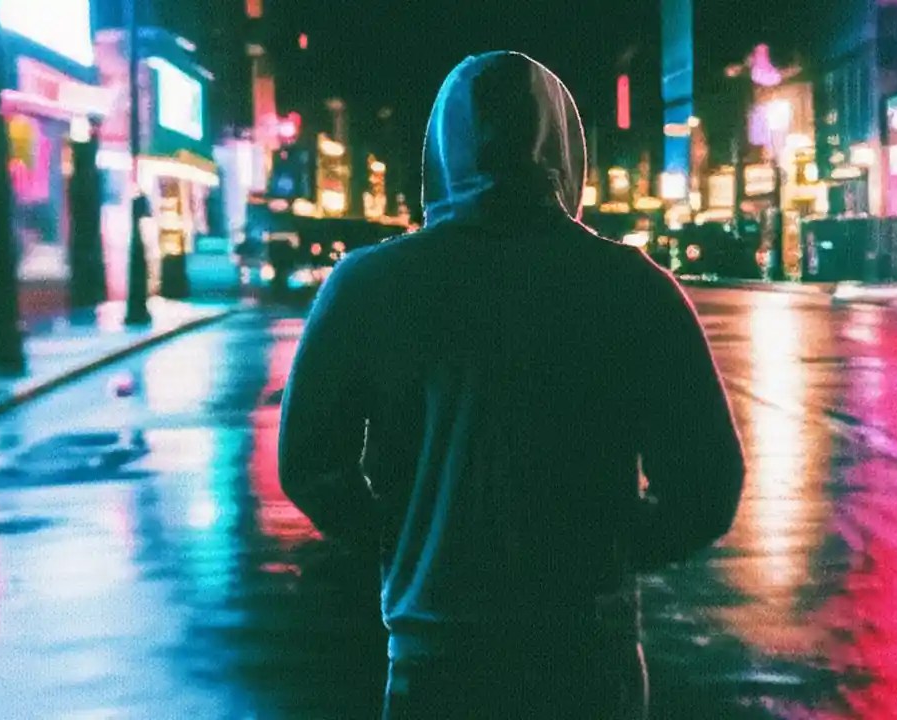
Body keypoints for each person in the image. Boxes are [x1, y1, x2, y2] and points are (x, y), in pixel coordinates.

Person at [279, 51, 746, 720]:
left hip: (435, 650)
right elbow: (707, 483)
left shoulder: (367, 286)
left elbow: (309, 465)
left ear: (440, 155)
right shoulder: (633, 287)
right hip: (586, 647)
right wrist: (619, 546)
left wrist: (404, 534)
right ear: (564, 148)